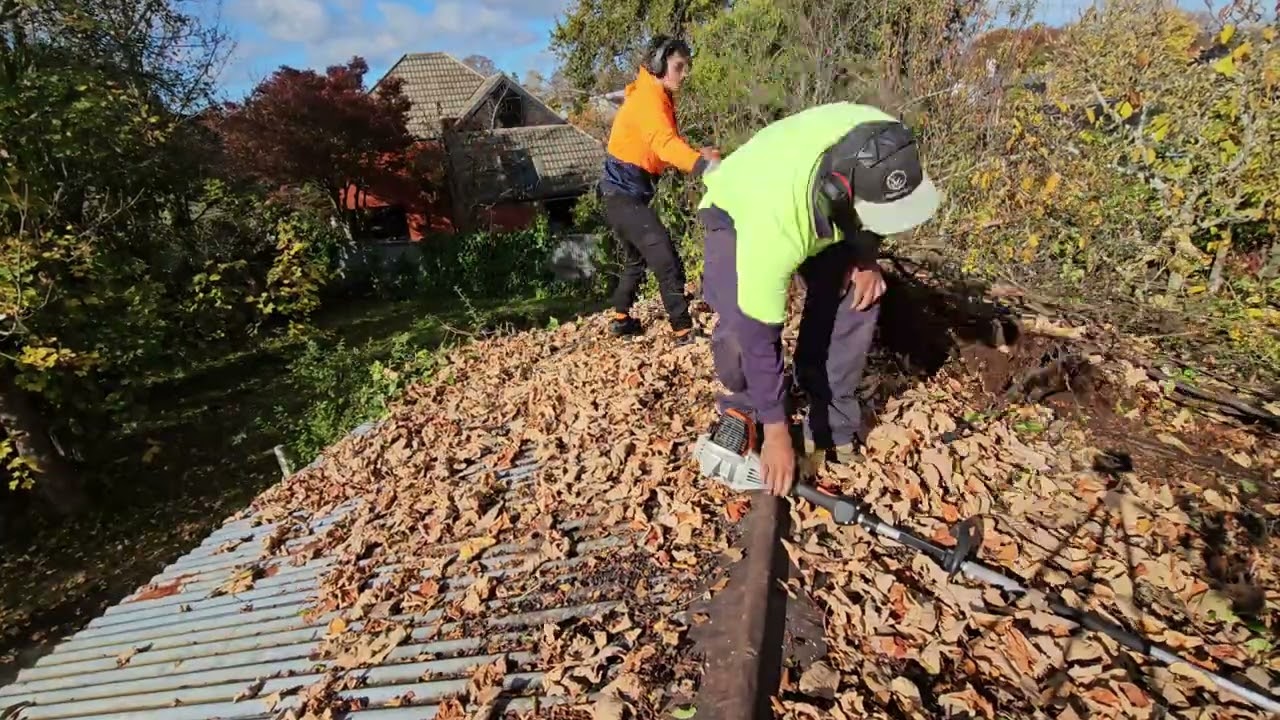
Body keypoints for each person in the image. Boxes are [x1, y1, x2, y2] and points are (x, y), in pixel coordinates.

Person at [696, 103, 942, 497]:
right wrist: (777, 433)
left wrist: (866, 260)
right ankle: (746, 406)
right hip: (738, 208)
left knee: (860, 292)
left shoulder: (890, 141)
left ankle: (830, 415)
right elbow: (760, 336)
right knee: (741, 327)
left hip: (821, 196)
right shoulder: (774, 226)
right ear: (839, 195)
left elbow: (876, 218)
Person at [598, 35, 721, 345]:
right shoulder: (648, 99)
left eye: (686, 67)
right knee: (665, 258)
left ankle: (621, 320)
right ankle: (683, 331)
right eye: (679, 66)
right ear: (658, 64)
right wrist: (703, 166)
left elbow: (660, 148)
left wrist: (695, 155)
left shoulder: (656, 96)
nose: (684, 73)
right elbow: (665, 145)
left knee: (636, 259)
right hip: (622, 194)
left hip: (623, 192)